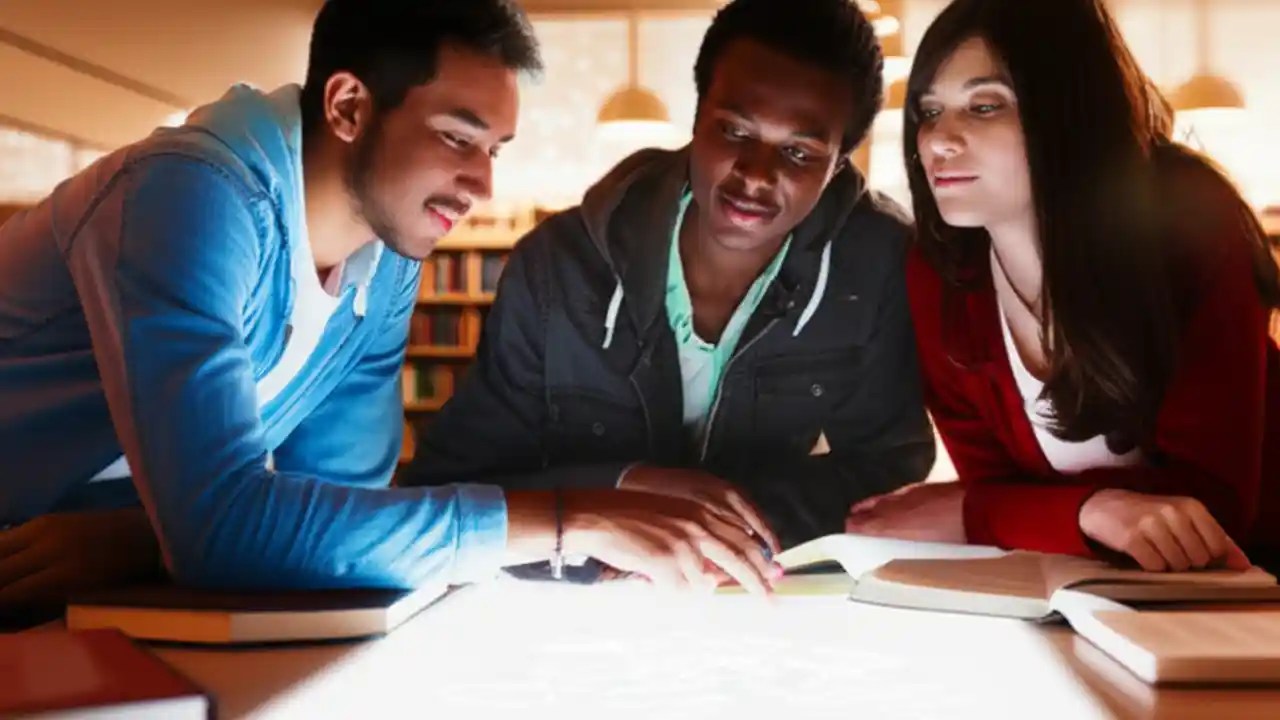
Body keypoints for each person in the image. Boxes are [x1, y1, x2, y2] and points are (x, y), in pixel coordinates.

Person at [0, 0, 776, 622]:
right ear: (347, 106)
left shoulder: (388, 258)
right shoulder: (191, 194)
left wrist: (148, 535)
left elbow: (335, 507)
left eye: (494, 150)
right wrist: (571, 519)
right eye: (457, 138)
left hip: (79, 599)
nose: (482, 185)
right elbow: (224, 532)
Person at [406, 0, 935, 554]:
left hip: (760, 586)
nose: (756, 175)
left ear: (839, 163)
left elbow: (888, 475)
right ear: (697, 118)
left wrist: (726, 523)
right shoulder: (557, 268)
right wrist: (622, 493)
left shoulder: (875, 267)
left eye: (799, 153)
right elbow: (452, 487)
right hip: (581, 586)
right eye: (734, 130)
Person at [845, 0, 1280, 573]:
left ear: (1065, 110)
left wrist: (978, 512)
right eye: (929, 112)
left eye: (984, 106)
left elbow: (1210, 510)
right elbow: (998, 501)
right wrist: (1090, 512)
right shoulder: (938, 275)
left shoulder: (1188, 221)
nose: (938, 141)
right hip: (1087, 593)